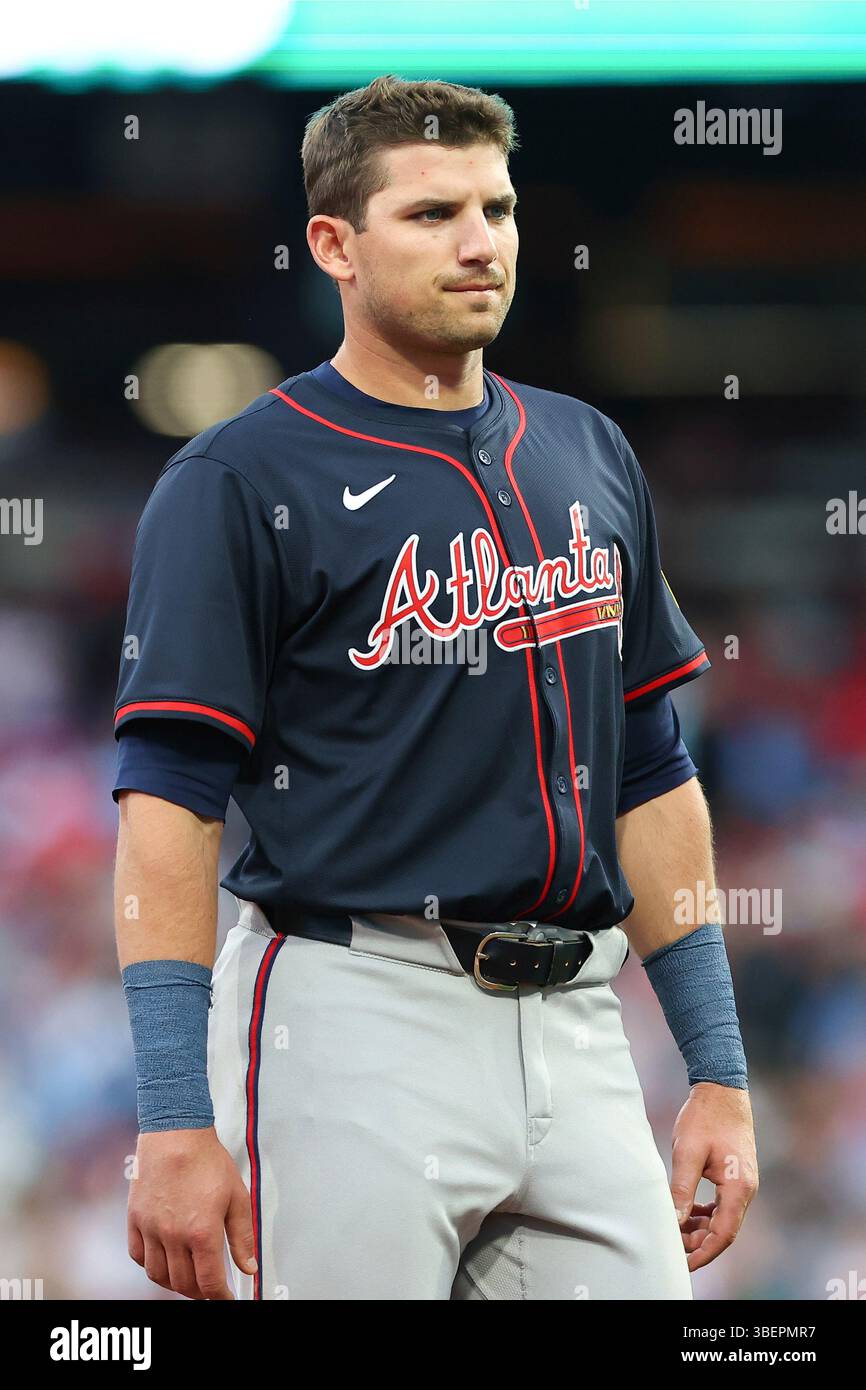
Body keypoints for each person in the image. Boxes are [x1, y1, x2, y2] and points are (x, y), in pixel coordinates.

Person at [113, 74, 757, 1301]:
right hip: (352, 1007)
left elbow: (650, 766)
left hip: (576, 1016)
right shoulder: (240, 476)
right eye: (429, 213)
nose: (479, 242)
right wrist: (170, 1112)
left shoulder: (585, 449)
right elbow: (168, 804)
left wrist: (716, 1069)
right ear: (333, 246)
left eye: (497, 208)